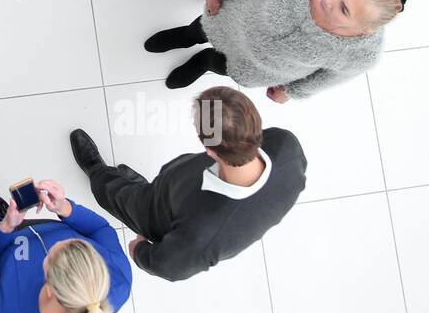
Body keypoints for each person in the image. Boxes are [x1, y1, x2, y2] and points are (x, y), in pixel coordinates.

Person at [69, 98, 307, 283]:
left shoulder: (202, 234)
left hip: (156, 216)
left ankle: (96, 170)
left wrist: (140, 250)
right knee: (156, 187)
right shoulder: (285, 146)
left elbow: (169, 266)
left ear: (212, 150)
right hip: (174, 190)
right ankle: (144, 186)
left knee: (116, 193)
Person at [145, 0, 405, 93]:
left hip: (260, 66)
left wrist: (292, 91)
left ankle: (203, 62)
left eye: (344, 10)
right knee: (201, 29)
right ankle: (186, 37)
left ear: (364, 31)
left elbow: (330, 77)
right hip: (231, 20)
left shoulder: (362, 54)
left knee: (220, 64)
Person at [0, 181, 131, 313]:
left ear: (50, 289)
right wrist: (65, 208)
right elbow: (100, 229)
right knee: (15, 222)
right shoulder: (120, 280)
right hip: (35, 231)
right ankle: (10, 219)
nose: (60, 240)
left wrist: (5, 229)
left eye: (54, 252)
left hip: (3, 260)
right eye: (77, 243)